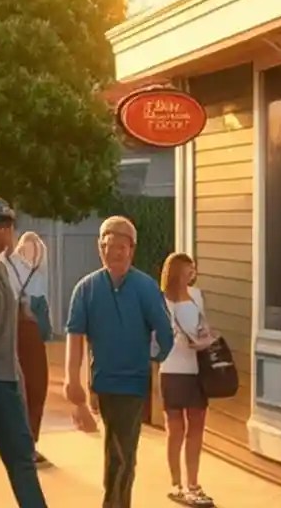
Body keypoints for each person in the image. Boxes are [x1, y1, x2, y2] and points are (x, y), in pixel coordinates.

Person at [65, 215, 175, 508]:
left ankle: (115, 504)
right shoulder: (85, 289)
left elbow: (165, 333)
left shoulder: (146, 288)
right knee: (115, 451)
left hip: (132, 382)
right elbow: (75, 337)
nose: (113, 252)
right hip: (101, 384)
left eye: (121, 246)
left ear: (132, 249)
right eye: (107, 245)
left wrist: (155, 360)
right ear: (99, 248)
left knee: (122, 451)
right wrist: (72, 383)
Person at [0, 196, 48, 507]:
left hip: (4, 384)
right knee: (23, 463)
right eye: (9, 229)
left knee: (23, 462)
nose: (12, 235)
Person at [159, 252, 216, 507]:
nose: (191, 275)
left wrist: (206, 337)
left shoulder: (197, 296)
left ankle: (193, 483)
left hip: (196, 370)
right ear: (175, 273)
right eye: (186, 271)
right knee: (175, 429)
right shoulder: (161, 301)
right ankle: (176, 483)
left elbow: (203, 326)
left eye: (192, 271)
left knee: (196, 426)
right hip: (171, 368)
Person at [0, 230, 52, 467]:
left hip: (24, 332)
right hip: (17, 330)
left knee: (31, 386)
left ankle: (26, 443)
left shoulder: (31, 271)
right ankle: (22, 445)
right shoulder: (8, 267)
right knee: (22, 386)